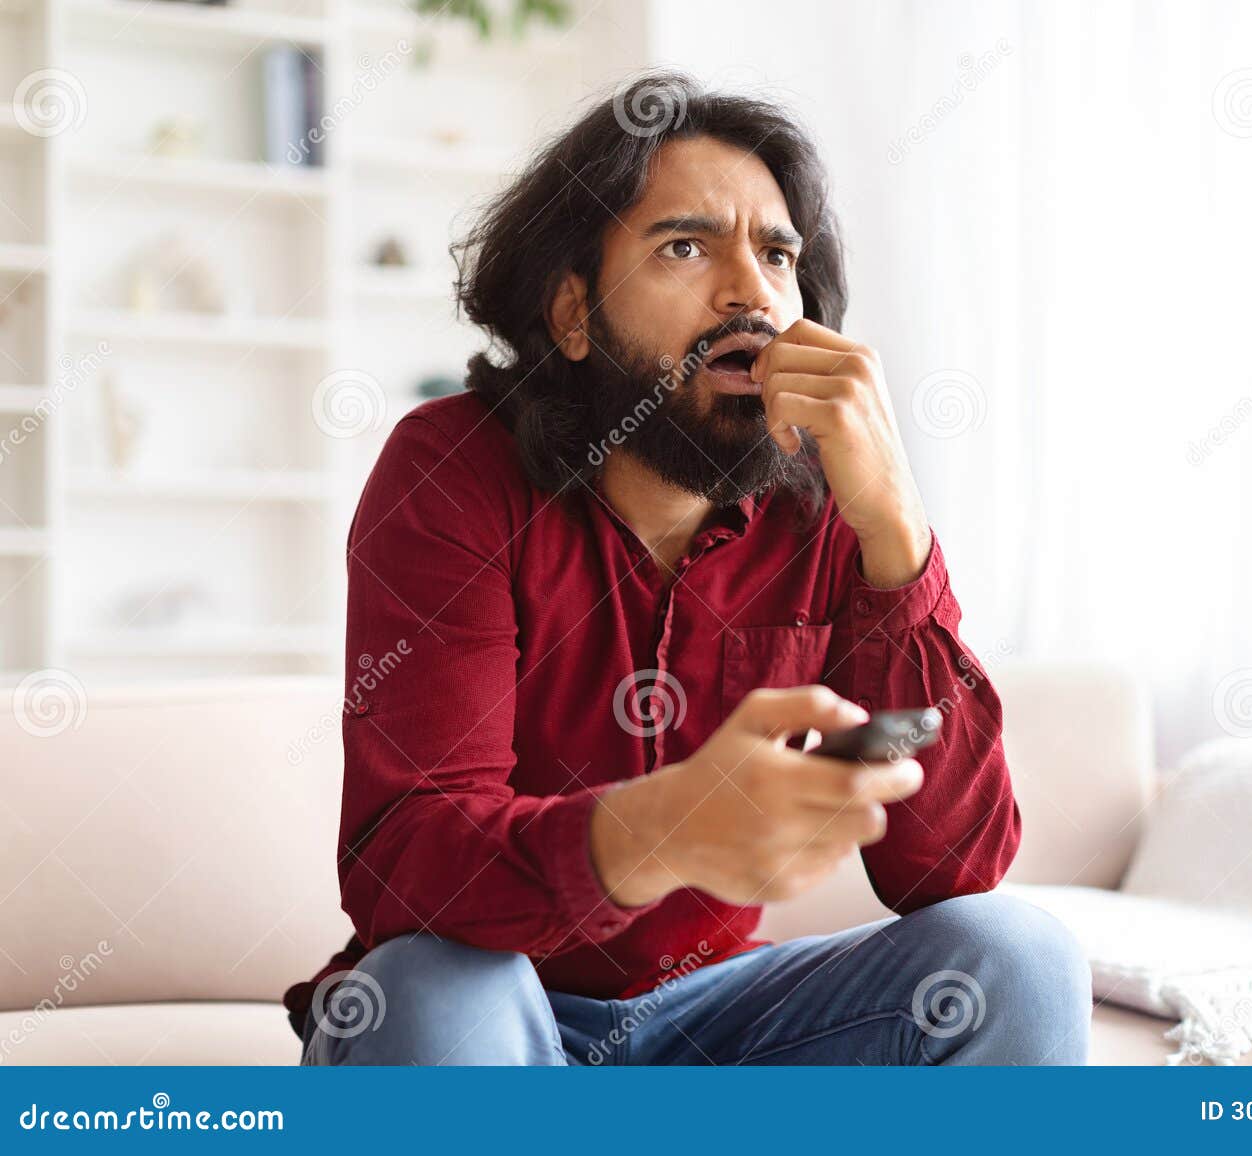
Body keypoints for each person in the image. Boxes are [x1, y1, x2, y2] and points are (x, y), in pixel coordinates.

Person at [284, 71, 1090, 1066]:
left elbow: (952, 869)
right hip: (487, 999)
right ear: (573, 313)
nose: (750, 290)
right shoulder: (452, 469)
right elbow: (407, 868)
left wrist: (897, 527)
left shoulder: (831, 502)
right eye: (685, 246)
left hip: (709, 1020)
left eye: (777, 254)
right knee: (431, 988)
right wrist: (657, 832)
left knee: (1016, 958)